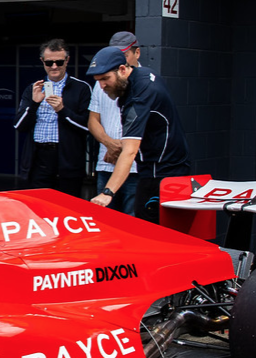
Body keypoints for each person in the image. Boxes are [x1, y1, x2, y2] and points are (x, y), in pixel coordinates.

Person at [88, 46, 191, 223]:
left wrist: (107, 192)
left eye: (105, 79)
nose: (102, 86)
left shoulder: (139, 97)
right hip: (166, 168)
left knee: (147, 230)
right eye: (98, 80)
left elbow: (130, 151)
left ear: (122, 69)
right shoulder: (143, 74)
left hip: (161, 175)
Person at [13, 39, 91, 197]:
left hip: (68, 158)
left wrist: (62, 110)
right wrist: (34, 104)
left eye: (59, 62)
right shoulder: (33, 88)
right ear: (42, 61)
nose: (54, 66)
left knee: (68, 205)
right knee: (39, 203)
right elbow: (19, 126)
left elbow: (87, 126)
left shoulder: (81, 88)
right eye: (49, 63)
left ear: (67, 60)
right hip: (39, 157)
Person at [88, 31, 140, 214]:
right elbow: (93, 120)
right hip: (106, 163)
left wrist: (121, 149)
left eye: (124, 54)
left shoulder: (143, 83)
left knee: (132, 221)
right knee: (105, 219)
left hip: (135, 167)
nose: (118, 60)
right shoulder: (101, 81)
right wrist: (110, 145)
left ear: (137, 53)